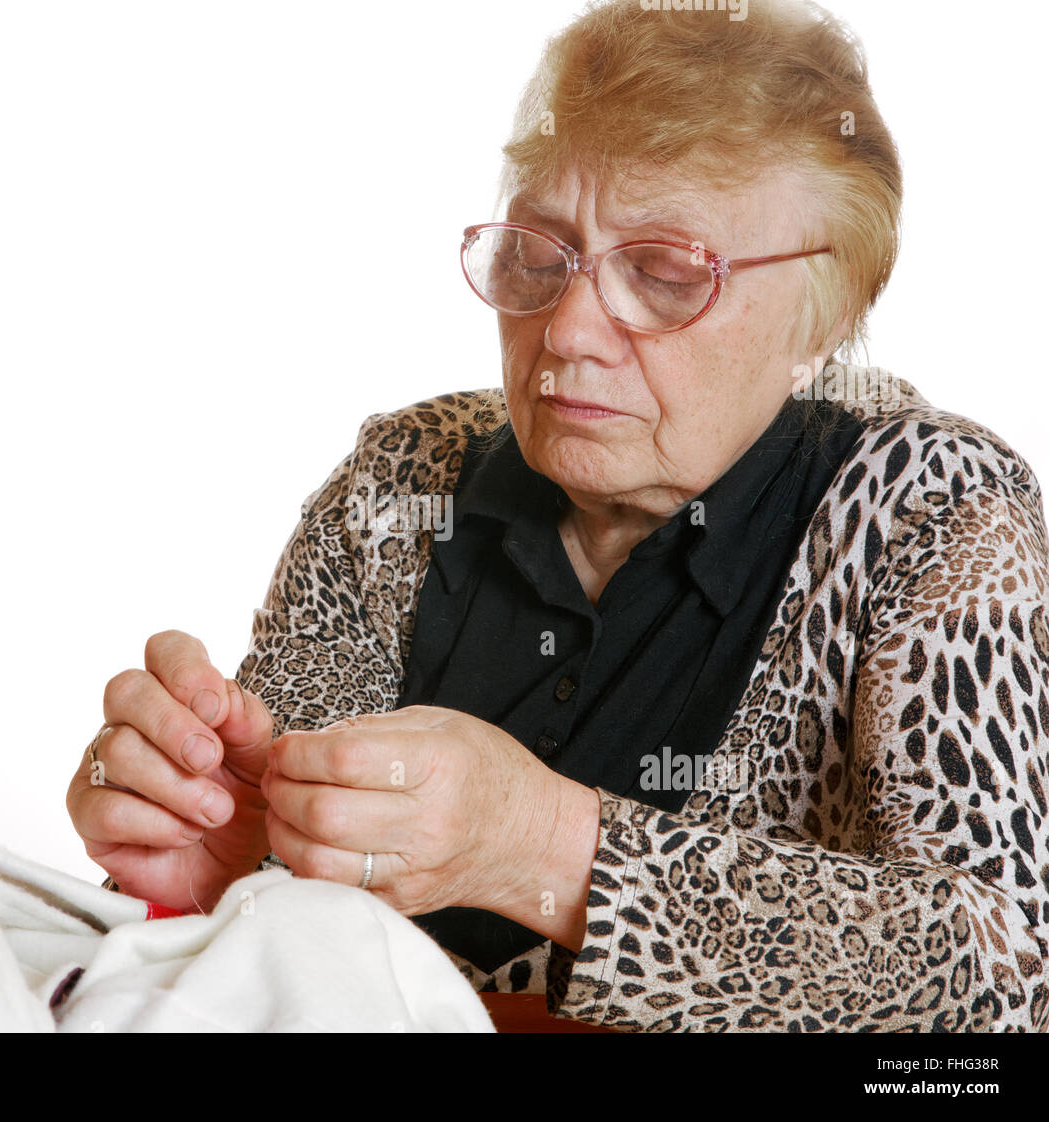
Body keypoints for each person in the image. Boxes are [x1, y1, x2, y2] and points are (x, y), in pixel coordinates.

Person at [66, 0, 1049, 1031]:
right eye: (538, 253)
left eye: (664, 274)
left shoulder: (929, 505)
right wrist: (221, 863)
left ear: (828, 311)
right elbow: (285, 942)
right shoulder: (398, 483)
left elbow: (997, 978)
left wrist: (542, 844)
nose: (568, 330)